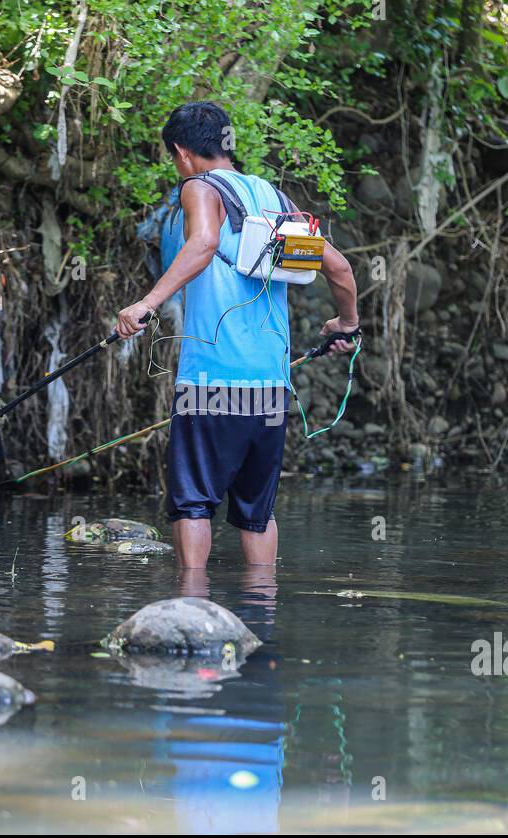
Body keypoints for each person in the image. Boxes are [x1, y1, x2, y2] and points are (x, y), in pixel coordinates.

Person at [115, 101, 360, 570]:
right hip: (269, 390)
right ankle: (260, 612)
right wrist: (346, 324)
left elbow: (204, 243)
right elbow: (341, 268)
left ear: (182, 153)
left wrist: (145, 304)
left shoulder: (198, 187)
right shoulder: (275, 196)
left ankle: (190, 603)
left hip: (211, 380)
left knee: (193, 503)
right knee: (256, 513)